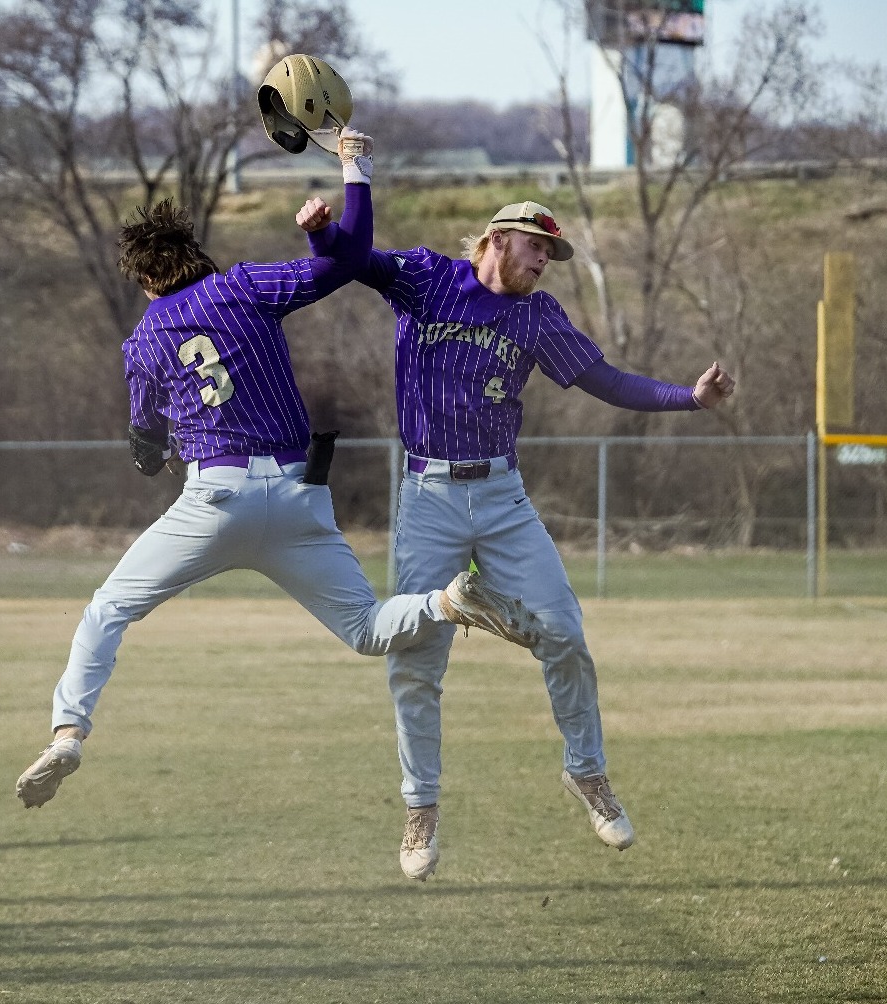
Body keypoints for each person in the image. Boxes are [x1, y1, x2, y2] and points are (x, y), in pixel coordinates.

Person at [15, 130, 543, 811]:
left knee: (107, 611)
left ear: (144, 279)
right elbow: (346, 261)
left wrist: (152, 445)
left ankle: (67, 733)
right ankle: (449, 601)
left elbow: (144, 442)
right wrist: (355, 169)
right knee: (366, 630)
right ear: (197, 255)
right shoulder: (241, 288)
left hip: (216, 498)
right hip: (299, 496)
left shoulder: (144, 339)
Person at [303, 200, 736, 879]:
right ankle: (420, 808)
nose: (544, 261)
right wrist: (322, 231)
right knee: (414, 661)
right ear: (499, 241)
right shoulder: (426, 279)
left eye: (550, 254)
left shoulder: (536, 316)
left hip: (502, 497)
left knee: (562, 628)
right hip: (428, 498)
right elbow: (353, 261)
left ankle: (586, 773)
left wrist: (688, 398)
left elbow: (606, 380)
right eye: (537, 248)